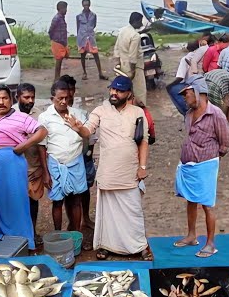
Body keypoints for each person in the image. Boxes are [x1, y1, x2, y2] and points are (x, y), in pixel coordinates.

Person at [63, 76, 151, 260]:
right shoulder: (100, 110)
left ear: (129, 94)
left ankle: (139, 246)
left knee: (133, 212)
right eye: (112, 89)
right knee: (108, 215)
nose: (114, 93)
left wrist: (142, 166)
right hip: (108, 173)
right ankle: (105, 246)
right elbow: (88, 130)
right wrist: (78, 128)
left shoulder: (137, 112)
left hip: (130, 173)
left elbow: (143, 141)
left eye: (119, 91)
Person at [172, 76, 229, 258]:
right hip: (189, 165)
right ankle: (191, 236)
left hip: (206, 165)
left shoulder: (216, 114)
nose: (184, 98)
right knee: (191, 200)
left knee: (207, 204)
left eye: (187, 94)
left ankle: (210, 243)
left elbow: (226, 143)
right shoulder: (189, 114)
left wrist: (211, 158)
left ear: (199, 93)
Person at [0, 84, 46, 248]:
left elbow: (42, 131)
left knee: (17, 202)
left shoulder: (21, 117)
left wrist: (24, 146)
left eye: (4, 98)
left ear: (11, 100)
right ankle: (2, 239)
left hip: (12, 166)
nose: (1, 102)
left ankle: (24, 242)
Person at [39, 79, 88, 235]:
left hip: (76, 162)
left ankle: (76, 234)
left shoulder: (78, 114)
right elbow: (42, 146)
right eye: (60, 98)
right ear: (52, 98)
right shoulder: (45, 117)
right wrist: (45, 172)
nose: (64, 101)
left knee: (76, 201)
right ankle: (58, 234)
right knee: (57, 202)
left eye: (66, 97)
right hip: (55, 164)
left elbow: (88, 136)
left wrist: (78, 127)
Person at [16, 83, 50, 231]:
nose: (30, 101)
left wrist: (42, 169)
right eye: (26, 97)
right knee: (16, 203)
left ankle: (32, 231)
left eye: (33, 97)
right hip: (15, 169)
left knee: (33, 203)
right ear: (17, 98)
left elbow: (46, 145)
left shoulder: (40, 116)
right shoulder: (10, 114)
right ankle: (17, 235)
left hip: (33, 169)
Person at [113, 12, 146, 104]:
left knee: (125, 91)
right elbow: (132, 56)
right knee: (140, 92)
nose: (141, 24)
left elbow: (116, 48)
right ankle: (140, 111)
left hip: (123, 66)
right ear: (136, 21)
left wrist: (117, 63)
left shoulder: (123, 31)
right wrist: (133, 72)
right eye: (140, 21)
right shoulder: (136, 36)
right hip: (134, 68)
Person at [76, 0, 106, 81]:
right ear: (82, 5)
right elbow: (78, 27)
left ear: (90, 5)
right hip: (82, 37)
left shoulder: (93, 15)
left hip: (91, 37)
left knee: (95, 54)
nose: (86, 6)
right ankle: (84, 72)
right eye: (84, 5)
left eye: (87, 5)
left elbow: (94, 25)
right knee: (83, 55)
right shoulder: (79, 16)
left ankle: (100, 73)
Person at [167, 40, 198, 117]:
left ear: (187, 48)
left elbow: (180, 77)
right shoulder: (201, 56)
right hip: (200, 85)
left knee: (173, 89)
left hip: (190, 86)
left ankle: (186, 114)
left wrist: (169, 86)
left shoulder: (185, 59)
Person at [49, 0, 69, 81]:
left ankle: (57, 77)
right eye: (65, 8)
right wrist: (53, 39)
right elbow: (51, 30)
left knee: (61, 59)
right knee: (59, 59)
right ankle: (56, 78)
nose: (66, 10)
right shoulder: (56, 18)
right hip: (57, 42)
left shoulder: (62, 18)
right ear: (60, 8)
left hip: (62, 42)